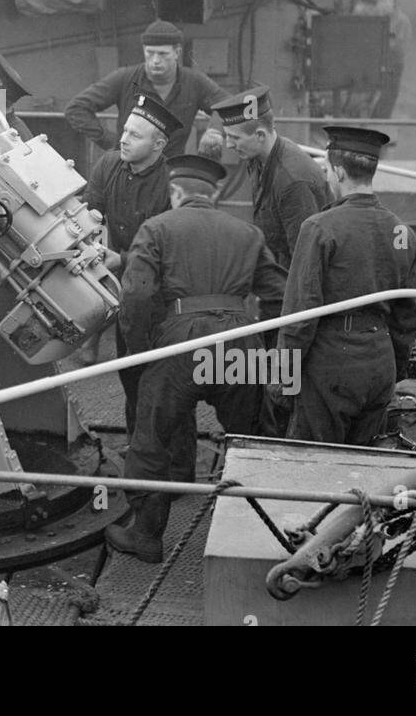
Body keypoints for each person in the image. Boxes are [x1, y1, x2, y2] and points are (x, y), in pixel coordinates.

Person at [105, 155, 287, 563]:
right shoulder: (248, 232)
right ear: (214, 193)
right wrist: (268, 347)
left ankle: (147, 536)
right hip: (240, 341)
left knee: (152, 437)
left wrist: (142, 350)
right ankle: (258, 534)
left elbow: (135, 293)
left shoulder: (157, 228)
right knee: (250, 436)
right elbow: (280, 294)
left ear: (175, 193)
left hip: (181, 345)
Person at [278, 127, 416, 447]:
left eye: (328, 170)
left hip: (332, 363)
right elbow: (409, 316)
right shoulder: (403, 232)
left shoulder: (319, 227)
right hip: (380, 363)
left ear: (339, 171)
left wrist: (284, 377)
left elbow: (301, 313)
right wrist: (392, 368)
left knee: (317, 460)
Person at [76, 95, 180, 420]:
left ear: (159, 144)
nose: (123, 138)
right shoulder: (109, 164)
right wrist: (87, 226)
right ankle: (138, 442)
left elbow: (169, 253)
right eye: (124, 130)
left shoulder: (171, 184)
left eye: (135, 135)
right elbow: (91, 207)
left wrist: (119, 259)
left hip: (160, 297)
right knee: (130, 374)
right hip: (125, 290)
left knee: (161, 378)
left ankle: (158, 450)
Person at [65, 20, 225, 160]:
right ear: (144, 51)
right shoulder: (125, 78)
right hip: (126, 171)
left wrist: (215, 131)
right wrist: (110, 141)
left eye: (163, 54)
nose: (155, 60)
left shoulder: (194, 82)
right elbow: (76, 108)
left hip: (168, 173)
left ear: (177, 52)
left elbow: (231, 106)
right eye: (150, 53)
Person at [213, 86, 331, 270]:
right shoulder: (258, 158)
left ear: (260, 135)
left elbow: (305, 260)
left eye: (234, 138)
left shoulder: (293, 181)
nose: (228, 144)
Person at [350, 0, 411, 118]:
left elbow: (399, 47)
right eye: (381, 1)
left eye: (386, 1)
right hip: (372, 66)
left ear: (393, 2)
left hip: (392, 67)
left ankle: (380, 123)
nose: (383, 4)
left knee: (386, 100)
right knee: (364, 100)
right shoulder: (374, 16)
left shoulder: (402, 21)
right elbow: (357, 16)